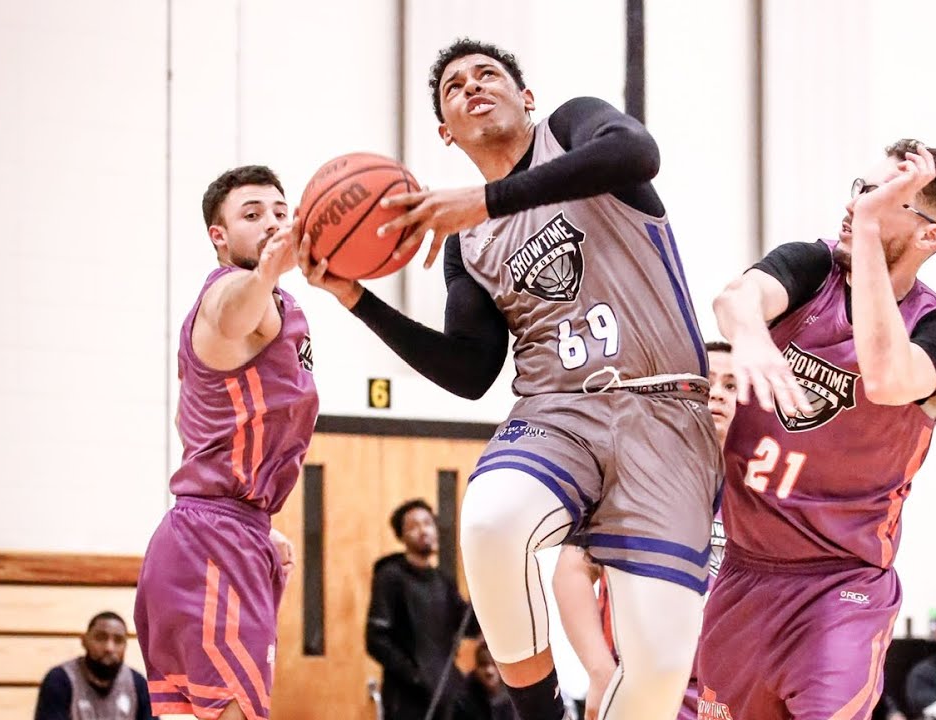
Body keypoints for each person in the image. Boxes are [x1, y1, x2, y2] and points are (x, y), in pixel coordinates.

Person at [298, 38, 721, 720]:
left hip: (666, 412)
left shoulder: (574, 130)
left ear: (526, 98)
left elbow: (638, 153)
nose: (472, 86)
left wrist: (490, 199)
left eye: (487, 74)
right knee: (492, 520)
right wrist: (355, 298)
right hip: (558, 414)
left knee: (659, 669)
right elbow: (470, 371)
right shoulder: (466, 245)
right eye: (454, 88)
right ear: (446, 132)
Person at [697, 139, 936, 719]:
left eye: (882, 198)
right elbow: (736, 297)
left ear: (930, 235)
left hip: (842, 585)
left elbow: (887, 378)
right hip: (745, 573)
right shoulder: (812, 266)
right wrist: (751, 339)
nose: (858, 205)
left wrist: (871, 240)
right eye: (861, 188)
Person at [136, 165, 317, 720]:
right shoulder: (229, 296)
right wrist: (266, 270)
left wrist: (254, 512)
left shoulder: (276, 306)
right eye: (253, 214)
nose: (272, 223)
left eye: (281, 212)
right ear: (219, 236)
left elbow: (186, 422)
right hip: (215, 548)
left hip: (214, 534)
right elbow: (234, 312)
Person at [552, 341, 736, 720]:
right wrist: (600, 672)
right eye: (707, 384)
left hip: (735, 688)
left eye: (732, 386)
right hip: (644, 687)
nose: (717, 393)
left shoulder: (769, 493)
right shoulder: (639, 474)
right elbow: (571, 570)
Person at [367, 498, 478, 720]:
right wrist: (416, 676)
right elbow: (376, 640)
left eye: (428, 523)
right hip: (406, 700)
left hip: (446, 697)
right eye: (413, 526)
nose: (423, 530)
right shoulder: (390, 577)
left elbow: (469, 627)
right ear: (401, 536)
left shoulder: (443, 582)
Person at [34, 611, 154, 720]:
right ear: (84, 641)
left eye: (118, 640)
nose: (109, 648)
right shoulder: (60, 680)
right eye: (101, 638)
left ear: (125, 646)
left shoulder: (138, 685)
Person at [455, 644, 520, 720]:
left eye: (495, 664)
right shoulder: (464, 701)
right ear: (476, 669)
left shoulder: (515, 696)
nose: (489, 671)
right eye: (483, 664)